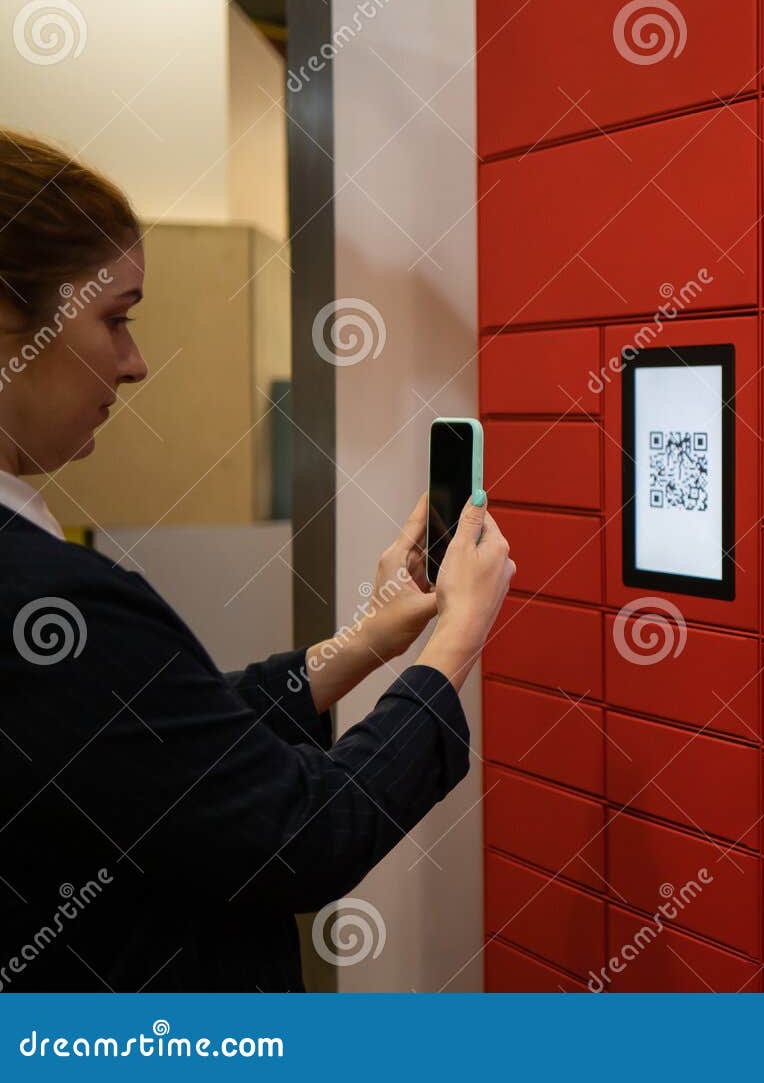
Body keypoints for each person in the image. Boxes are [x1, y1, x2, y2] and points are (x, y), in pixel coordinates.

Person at [0, 130, 513, 990]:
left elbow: (165, 748)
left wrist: (365, 640)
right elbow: (297, 834)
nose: (134, 363)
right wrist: (454, 641)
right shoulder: (48, 598)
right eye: (115, 318)